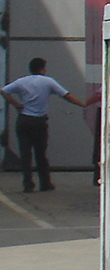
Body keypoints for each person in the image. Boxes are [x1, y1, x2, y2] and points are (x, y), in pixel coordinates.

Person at [3, 58, 97, 193]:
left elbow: (3, 91)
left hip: (24, 120)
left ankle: (28, 184)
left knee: (25, 154)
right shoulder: (48, 81)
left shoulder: (21, 81)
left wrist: (16, 104)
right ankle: (45, 183)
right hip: (39, 122)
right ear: (42, 69)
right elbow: (66, 95)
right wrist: (82, 104)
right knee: (40, 154)